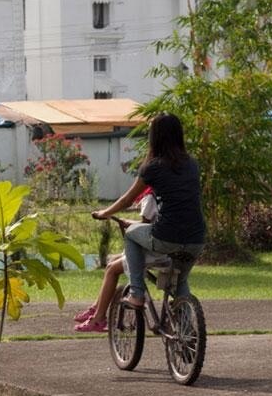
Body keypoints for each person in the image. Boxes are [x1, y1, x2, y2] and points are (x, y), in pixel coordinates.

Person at [90, 113, 205, 313]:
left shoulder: (153, 167)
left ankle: (136, 293)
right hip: (196, 237)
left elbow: (126, 200)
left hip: (167, 235)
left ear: (154, 137)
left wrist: (104, 213)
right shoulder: (192, 164)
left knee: (132, 234)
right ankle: (189, 336)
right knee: (180, 282)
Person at [72, 188, 157, 333]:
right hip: (161, 243)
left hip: (153, 246)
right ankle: (97, 307)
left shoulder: (150, 197)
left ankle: (99, 318)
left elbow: (145, 224)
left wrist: (123, 220)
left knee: (112, 269)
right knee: (114, 259)